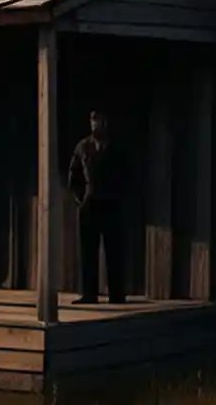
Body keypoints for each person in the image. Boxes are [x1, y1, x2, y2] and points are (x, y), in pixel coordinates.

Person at [67, 109, 127, 305]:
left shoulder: (117, 147)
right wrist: (80, 199)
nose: (95, 124)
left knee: (114, 251)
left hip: (111, 203)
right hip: (90, 204)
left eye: (99, 120)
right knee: (88, 252)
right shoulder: (83, 147)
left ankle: (116, 295)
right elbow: (74, 175)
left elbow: (128, 174)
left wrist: (120, 196)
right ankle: (89, 294)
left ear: (105, 122)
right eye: (93, 120)